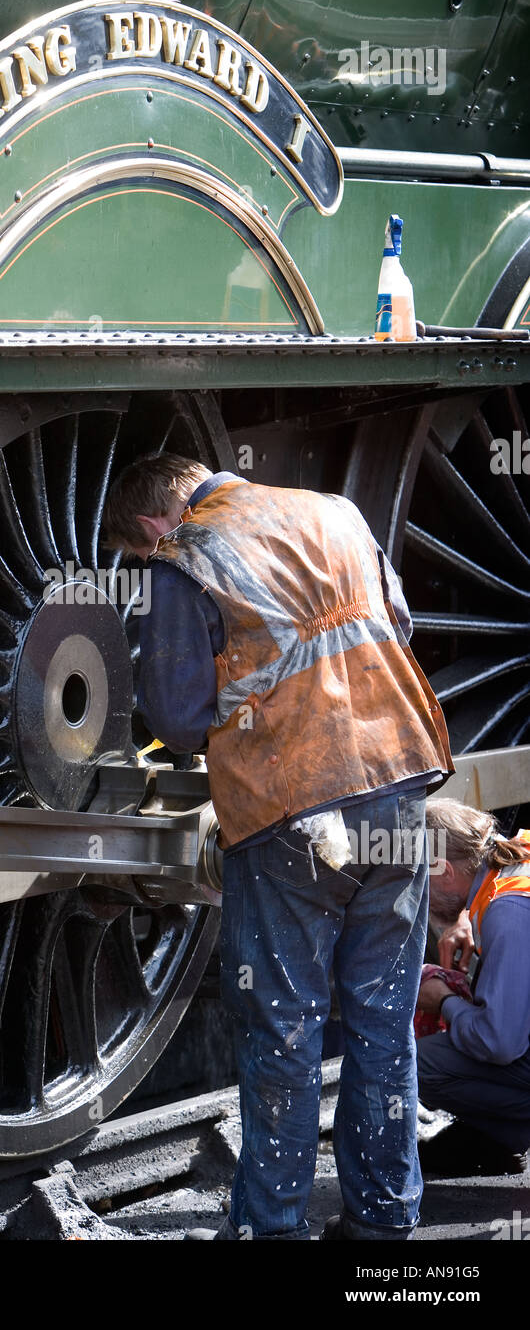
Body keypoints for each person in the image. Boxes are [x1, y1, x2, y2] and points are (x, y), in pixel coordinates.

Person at [102, 454, 454, 1240]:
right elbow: (398, 627)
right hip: (397, 786)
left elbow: (180, 717)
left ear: (155, 525)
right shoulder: (338, 511)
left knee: (284, 1033)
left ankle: (273, 1228)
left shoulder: (185, 557)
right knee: (384, 1023)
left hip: (289, 811)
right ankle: (386, 1223)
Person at [415, 798, 530, 1175]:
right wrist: (469, 917)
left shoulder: (508, 913)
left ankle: (503, 1136)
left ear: (445, 872)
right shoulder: (518, 855)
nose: (420, 896)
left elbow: (499, 1043)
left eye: (420, 880)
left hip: (508, 1044)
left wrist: (444, 1000)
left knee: (413, 1063)